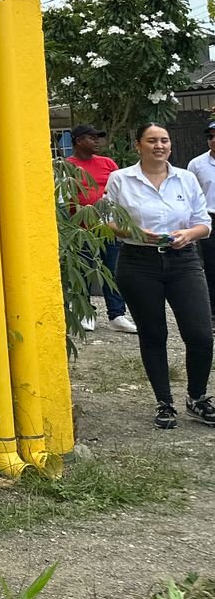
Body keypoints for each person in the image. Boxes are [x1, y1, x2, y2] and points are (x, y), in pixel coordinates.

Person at [103, 123, 214, 430]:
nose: (159, 145)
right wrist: (137, 233)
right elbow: (107, 219)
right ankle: (164, 402)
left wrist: (188, 233)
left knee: (201, 334)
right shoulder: (121, 179)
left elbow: (203, 222)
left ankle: (197, 397)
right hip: (139, 262)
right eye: (151, 140)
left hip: (184, 260)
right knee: (154, 335)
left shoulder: (186, 178)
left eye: (164, 140)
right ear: (138, 144)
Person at [65, 123, 135, 332]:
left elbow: (122, 189)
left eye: (98, 138)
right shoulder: (68, 165)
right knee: (84, 269)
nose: (97, 141)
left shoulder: (107, 163)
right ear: (78, 141)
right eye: (91, 137)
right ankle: (86, 313)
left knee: (112, 269)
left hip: (109, 226)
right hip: (80, 227)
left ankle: (117, 315)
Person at [187, 120, 215, 313]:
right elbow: (190, 196)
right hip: (210, 219)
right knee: (212, 267)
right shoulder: (197, 164)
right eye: (210, 137)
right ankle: (212, 311)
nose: (213, 140)